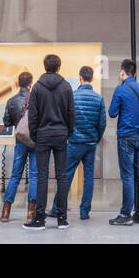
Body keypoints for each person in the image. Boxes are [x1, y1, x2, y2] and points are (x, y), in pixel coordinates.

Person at [24, 54, 75, 230]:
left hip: (43, 136)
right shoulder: (67, 87)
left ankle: (39, 219)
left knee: (41, 175)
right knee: (62, 176)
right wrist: (67, 132)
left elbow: (33, 115)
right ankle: (62, 218)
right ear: (59, 67)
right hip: (61, 135)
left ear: (44, 67)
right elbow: (71, 113)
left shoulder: (37, 87)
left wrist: (35, 134)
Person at [54, 65, 107, 222]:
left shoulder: (73, 96)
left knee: (66, 174)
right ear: (92, 78)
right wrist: (97, 137)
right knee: (89, 177)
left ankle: (57, 207)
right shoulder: (99, 98)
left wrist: (70, 135)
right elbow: (102, 122)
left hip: (75, 142)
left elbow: (65, 118)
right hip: (90, 143)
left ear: (80, 78)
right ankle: (84, 211)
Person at [108, 59, 139, 226]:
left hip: (125, 137)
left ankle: (125, 214)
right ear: (134, 74)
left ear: (122, 73)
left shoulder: (120, 89)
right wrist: (138, 119)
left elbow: (112, 113)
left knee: (127, 176)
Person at [0, 71, 37, 223]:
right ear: (30, 84)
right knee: (34, 175)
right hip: (34, 140)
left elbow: (7, 122)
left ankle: (6, 211)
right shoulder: (36, 100)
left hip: (20, 140)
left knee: (15, 175)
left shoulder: (11, 100)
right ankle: (30, 212)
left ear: (18, 84)